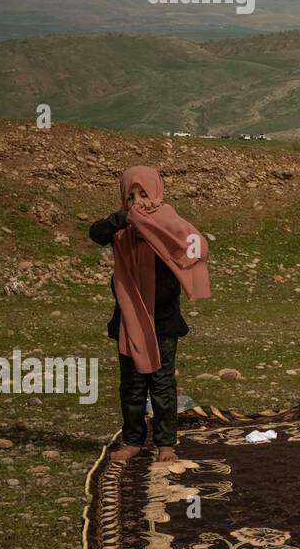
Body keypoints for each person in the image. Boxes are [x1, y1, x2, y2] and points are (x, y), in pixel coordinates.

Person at [89, 166, 211, 463]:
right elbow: (95, 233)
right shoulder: (120, 227)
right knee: (131, 383)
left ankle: (165, 443)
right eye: (131, 196)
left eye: (144, 194)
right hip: (129, 317)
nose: (138, 201)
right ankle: (132, 441)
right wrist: (119, 220)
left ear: (156, 192)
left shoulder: (168, 221)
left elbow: (196, 247)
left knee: (162, 382)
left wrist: (162, 239)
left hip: (163, 318)